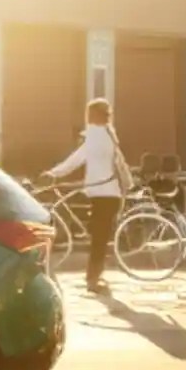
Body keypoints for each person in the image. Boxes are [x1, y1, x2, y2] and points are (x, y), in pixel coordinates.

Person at [43, 99, 126, 296]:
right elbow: (120, 163)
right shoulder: (109, 134)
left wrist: (53, 173)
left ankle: (92, 279)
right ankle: (96, 275)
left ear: (92, 116)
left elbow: (75, 160)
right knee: (102, 237)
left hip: (101, 194)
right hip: (112, 193)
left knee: (98, 238)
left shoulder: (96, 137)